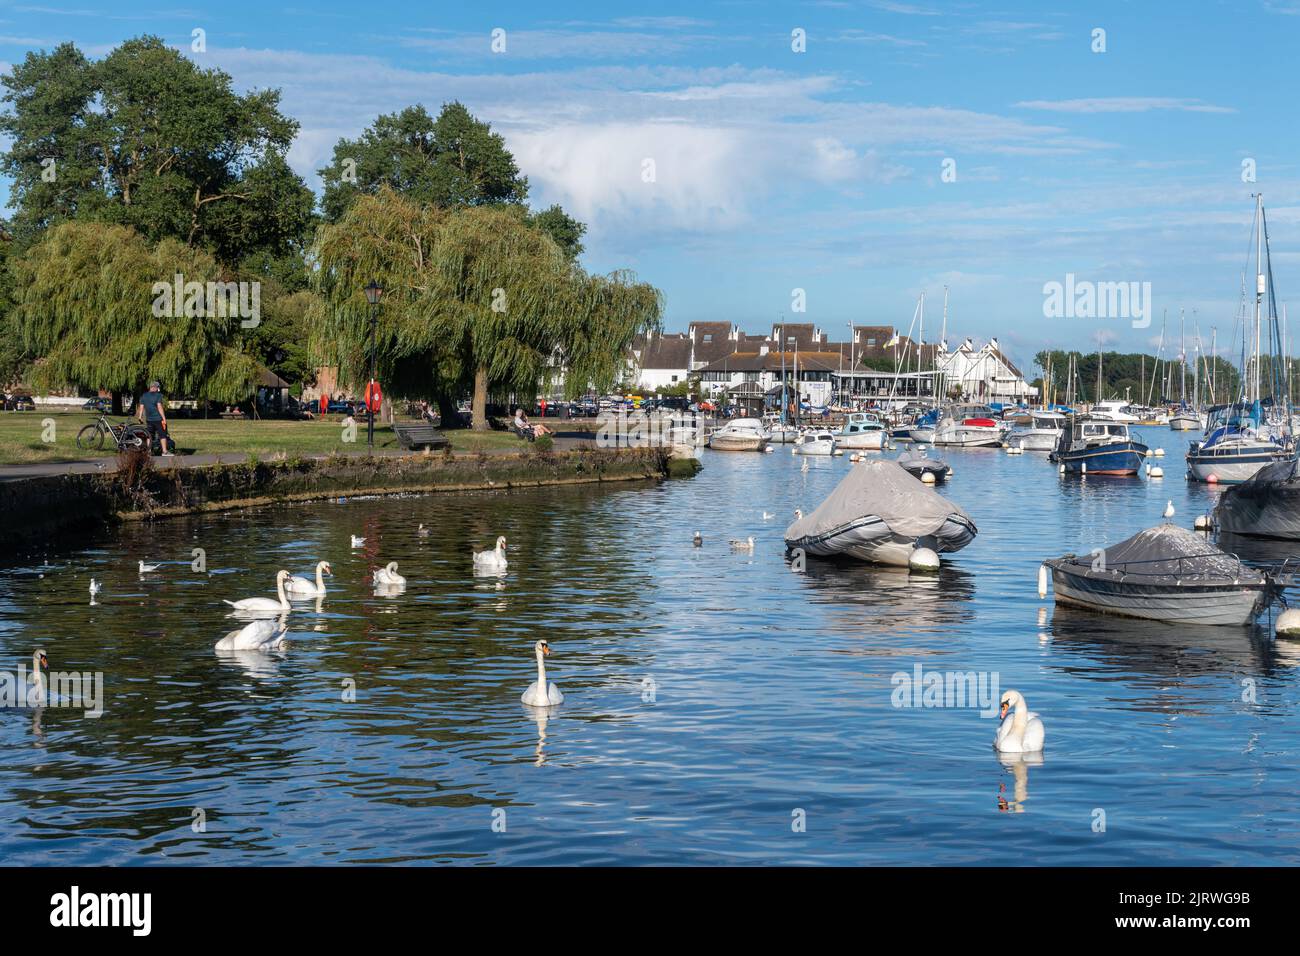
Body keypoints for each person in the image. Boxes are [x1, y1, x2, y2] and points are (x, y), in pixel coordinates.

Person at [137, 380, 175, 456]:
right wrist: (164, 418)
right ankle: (164, 451)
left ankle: (149, 451)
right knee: (162, 435)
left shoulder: (144, 396)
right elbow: (159, 407)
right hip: (158, 419)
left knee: (149, 435)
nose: (158, 389)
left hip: (149, 419)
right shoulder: (158, 395)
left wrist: (140, 417)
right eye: (158, 387)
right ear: (156, 387)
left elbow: (141, 407)